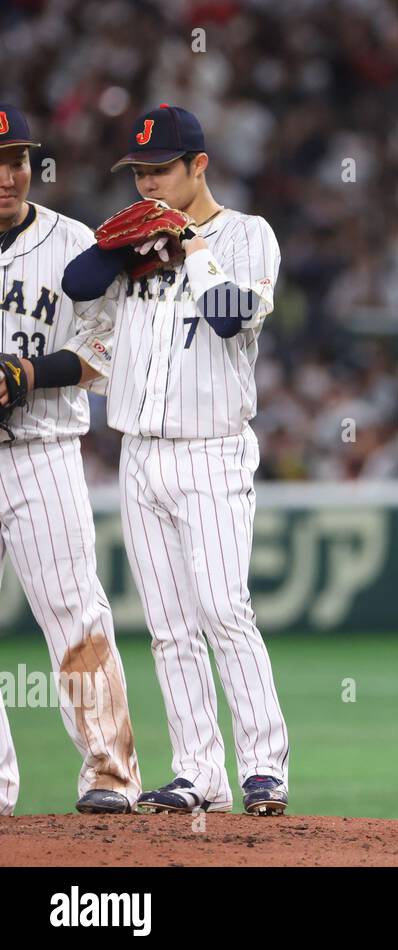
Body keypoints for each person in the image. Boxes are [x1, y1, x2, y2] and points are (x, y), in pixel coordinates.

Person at [53, 104, 290, 815]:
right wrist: (130, 244)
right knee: (168, 626)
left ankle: (264, 768)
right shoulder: (137, 241)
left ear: (199, 166)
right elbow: (76, 281)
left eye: (161, 170)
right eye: (139, 173)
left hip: (211, 450)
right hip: (141, 454)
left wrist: (187, 244)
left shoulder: (248, 236)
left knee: (223, 608)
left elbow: (226, 314)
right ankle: (198, 772)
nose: (148, 184)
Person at [0, 103, 142, 815]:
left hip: (41, 450)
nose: (8, 174)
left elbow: (102, 351)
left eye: (18, 158)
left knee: (75, 614)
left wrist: (25, 375)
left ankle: (110, 773)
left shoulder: (72, 244)